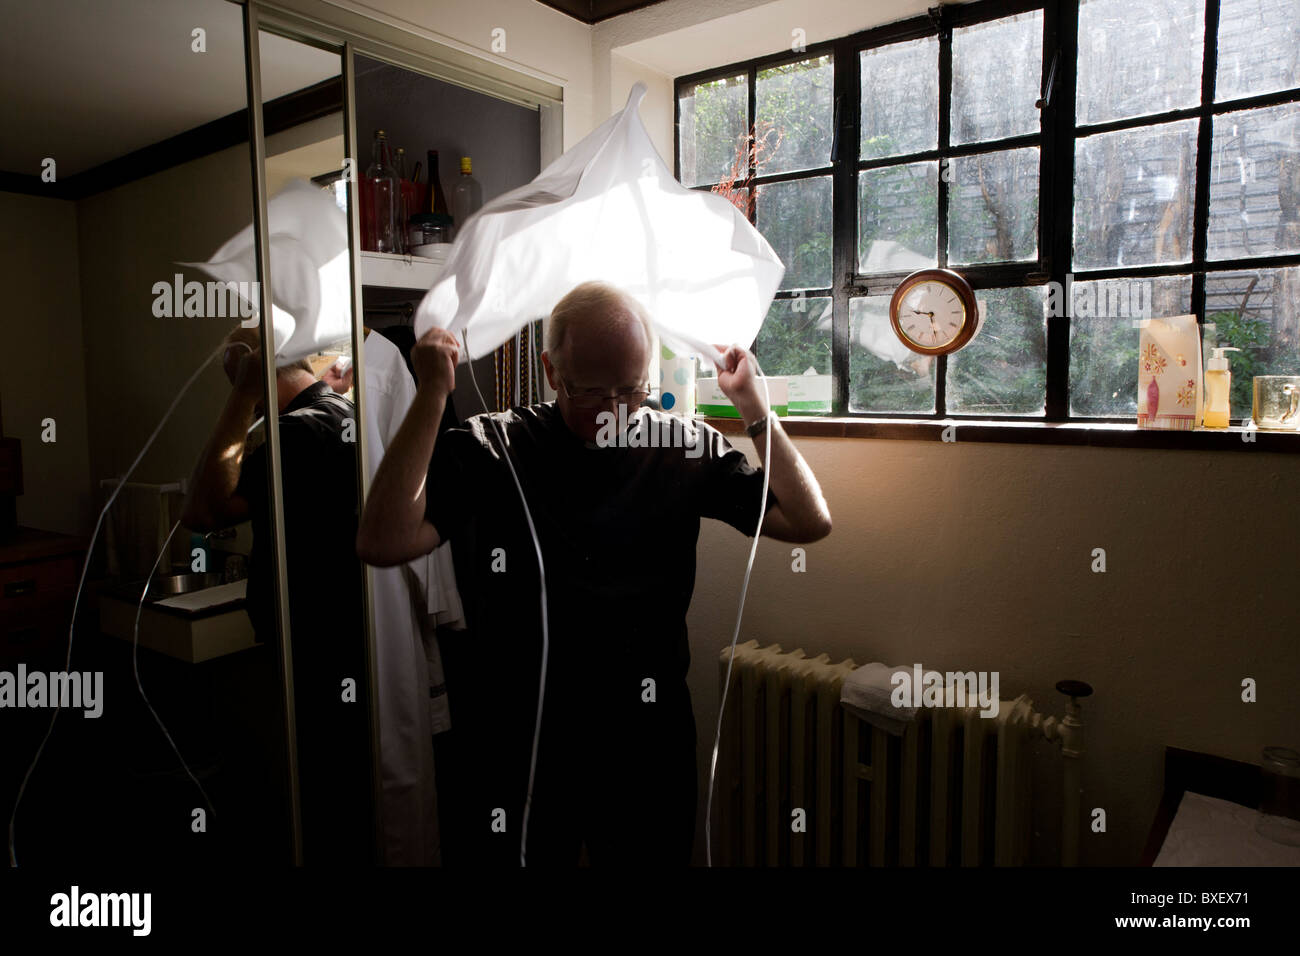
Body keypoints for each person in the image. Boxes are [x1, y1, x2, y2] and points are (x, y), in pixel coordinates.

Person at [356, 281, 832, 866]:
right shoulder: (496, 445)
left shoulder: (682, 446)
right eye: (593, 395)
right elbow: (382, 540)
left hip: (647, 739)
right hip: (529, 739)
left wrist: (755, 408)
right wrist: (432, 392)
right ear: (552, 371)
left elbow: (808, 521)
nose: (616, 411)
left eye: (632, 390)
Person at [182, 326, 373, 864]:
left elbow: (201, 511)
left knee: (320, 796)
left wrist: (243, 394)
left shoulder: (294, 434)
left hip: (310, 647)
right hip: (352, 638)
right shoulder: (343, 415)